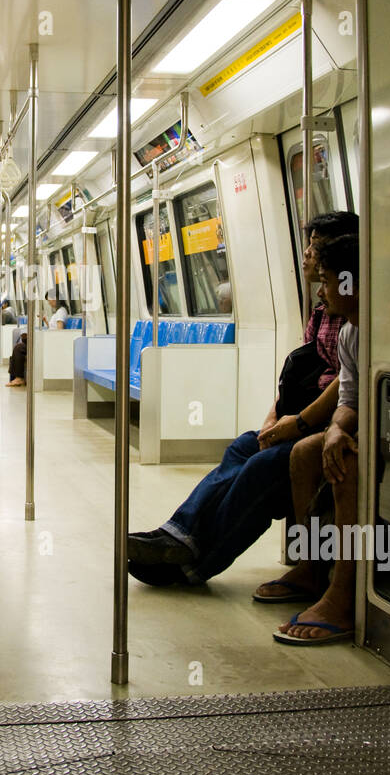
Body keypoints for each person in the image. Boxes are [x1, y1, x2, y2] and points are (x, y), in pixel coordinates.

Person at [127, 211, 358, 593]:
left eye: (315, 248)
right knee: (243, 447)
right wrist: (275, 417)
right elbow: (303, 370)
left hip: (322, 418)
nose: (307, 255)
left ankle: (194, 565)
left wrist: (297, 423)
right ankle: (179, 533)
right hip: (304, 412)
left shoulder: (355, 320)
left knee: (262, 468)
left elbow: (347, 384)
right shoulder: (323, 312)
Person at [274, 233, 360, 645]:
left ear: (349, 282)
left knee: (345, 463)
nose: (322, 293)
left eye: (327, 282)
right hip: (358, 425)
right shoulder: (349, 334)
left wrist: (340, 434)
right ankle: (312, 565)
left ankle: (342, 595)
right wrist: (338, 427)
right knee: (304, 453)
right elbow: (349, 397)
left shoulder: (386, 328)